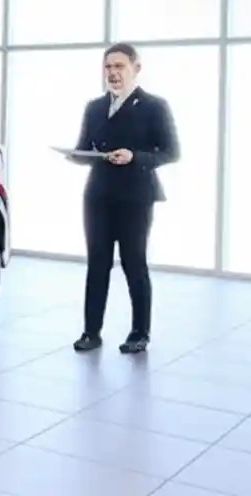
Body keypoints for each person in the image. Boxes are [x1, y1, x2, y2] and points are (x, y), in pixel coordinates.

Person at [70, 43, 179, 354]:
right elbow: (84, 147)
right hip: (98, 195)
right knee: (97, 264)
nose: (113, 73)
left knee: (134, 263)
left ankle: (139, 333)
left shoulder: (154, 106)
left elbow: (171, 152)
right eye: (108, 67)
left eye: (119, 66)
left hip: (135, 196)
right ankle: (91, 332)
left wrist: (135, 156)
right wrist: (78, 156)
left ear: (136, 68)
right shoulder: (94, 107)